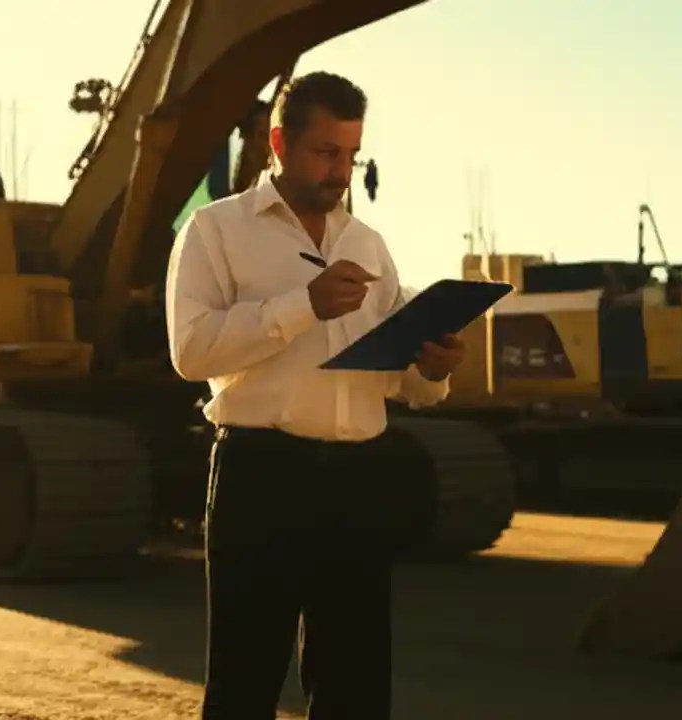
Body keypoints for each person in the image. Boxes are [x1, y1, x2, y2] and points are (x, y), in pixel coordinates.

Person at [164, 71, 465, 719]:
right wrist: (303, 306)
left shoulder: (368, 245)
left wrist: (432, 368)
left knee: (357, 687)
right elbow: (191, 353)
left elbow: (397, 383)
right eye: (327, 153)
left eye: (353, 155)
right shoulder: (215, 232)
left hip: (359, 484)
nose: (341, 172)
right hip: (261, 478)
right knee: (245, 684)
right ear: (279, 142)